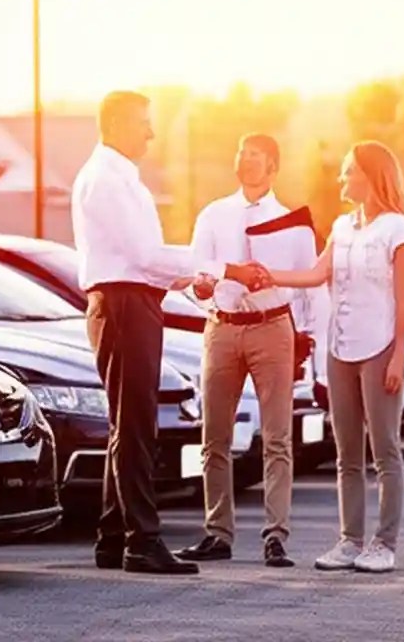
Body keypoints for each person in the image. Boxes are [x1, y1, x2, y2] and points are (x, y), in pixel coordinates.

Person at [71, 90, 267, 575]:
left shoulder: (122, 180)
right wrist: (227, 270)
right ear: (115, 123)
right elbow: (142, 256)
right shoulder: (106, 181)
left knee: (129, 423)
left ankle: (114, 538)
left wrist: (193, 278)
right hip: (121, 307)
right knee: (136, 425)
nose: (151, 133)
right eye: (143, 123)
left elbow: (147, 261)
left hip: (132, 302)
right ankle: (142, 542)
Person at [262, 140, 404, 574]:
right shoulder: (342, 227)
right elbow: (315, 273)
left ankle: (383, 544)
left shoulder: (398, 229)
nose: (341, 179)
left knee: (385, 450)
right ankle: (349, 542)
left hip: (381, 347)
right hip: (340, 349)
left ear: (370, 176)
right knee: (347, 453)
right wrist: (266, 276)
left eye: (348, 172)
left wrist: (399, 357)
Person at [174, 134, 317, 568]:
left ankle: (276, 536)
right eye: (240, 152)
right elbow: (197, 274)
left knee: (278, 438)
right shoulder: (214, 214)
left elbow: (309, 284)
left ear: (272, 165)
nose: (244, 160)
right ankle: (218, 533)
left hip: (272, 329)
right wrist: (202, 290)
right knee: (213, 437)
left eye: (254, 154)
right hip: (222, 328)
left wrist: (306, 337)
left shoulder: (293, 222)